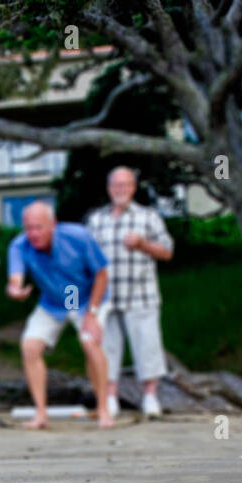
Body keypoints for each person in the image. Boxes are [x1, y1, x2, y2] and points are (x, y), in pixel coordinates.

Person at [6, 201, 113, 429]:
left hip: (85, 296)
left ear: (53, 224)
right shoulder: (18, 246)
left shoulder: (78, 237)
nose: (33, 234)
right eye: (28, 228)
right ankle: (41, 414)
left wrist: (92, 314)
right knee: (29, 346)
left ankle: (104, 409)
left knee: (90, 342)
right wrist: (15, 289)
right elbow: (15, 278)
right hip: (55, 299)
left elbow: (102, 275)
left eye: (38, 227)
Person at [85, 167, 174, 419]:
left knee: (147, 347)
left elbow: (167, 252)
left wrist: (143, 244)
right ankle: (110, 398)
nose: (120, 190)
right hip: (105, 296)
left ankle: (150, 398)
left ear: (133, 188)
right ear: (108, 188)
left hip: (141, 293)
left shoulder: (148, 217)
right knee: (107, 349)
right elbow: (86, 258)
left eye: (124, 185)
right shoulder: (96, 220)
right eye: (115, 185)